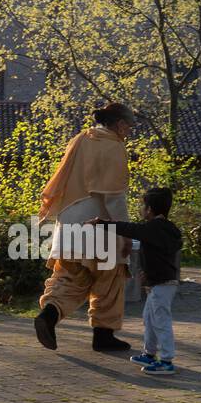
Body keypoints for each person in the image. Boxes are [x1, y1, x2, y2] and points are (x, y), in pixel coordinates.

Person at [33, 101, 136, 352]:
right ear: (120, 124)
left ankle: (49, 314)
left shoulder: (79, 139)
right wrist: (125, 231)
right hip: (98, 222)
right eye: (129, 127)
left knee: (70, 277)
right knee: (110, 277)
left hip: (67, 222)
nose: (130, 132)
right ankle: (103, 335)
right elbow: (113, 196)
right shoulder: (113, 146)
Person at [91, 187, 181, 374]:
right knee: (149, 319)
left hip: (162, 284)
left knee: (161, 321)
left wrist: (101, 223)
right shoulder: (166, 229)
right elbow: (157, 252)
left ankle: (166, 360)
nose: (141, 209)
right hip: (159, 284)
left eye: (143, 205)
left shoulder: (153, 228)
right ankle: (149, 354)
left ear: (149, 209)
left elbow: (129, 229)